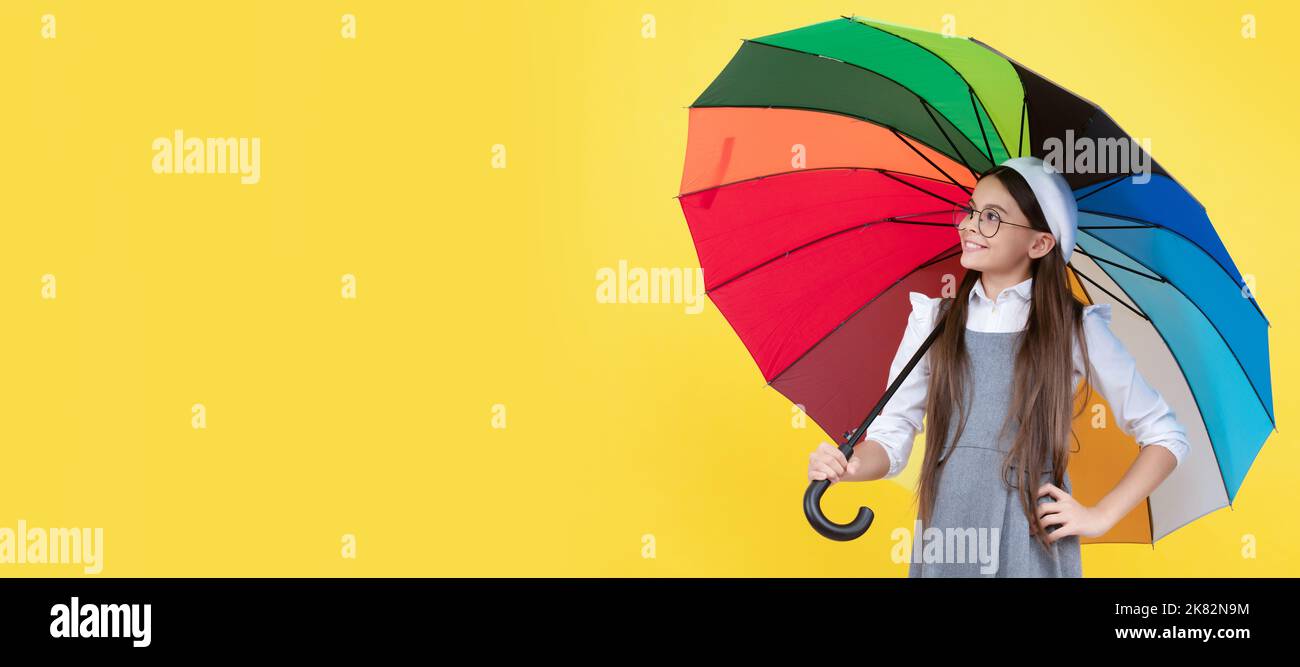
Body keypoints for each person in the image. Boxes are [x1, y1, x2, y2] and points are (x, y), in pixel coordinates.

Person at [807, 157, 1190, 577]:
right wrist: (854, 466)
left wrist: (1099, 515)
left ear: (1040, 244)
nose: (970, 225)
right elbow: (892, 434)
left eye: (992, 217)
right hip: (948, 533)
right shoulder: (934, 322)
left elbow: (1165, 434)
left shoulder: (1074, 329)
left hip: (1028, 539)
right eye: (971, 210)